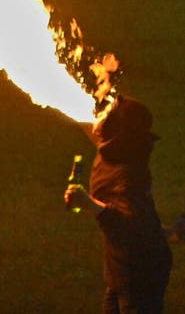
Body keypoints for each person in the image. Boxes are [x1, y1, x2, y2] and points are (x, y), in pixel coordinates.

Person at [64, 94, 172, 313]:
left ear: (117, 130)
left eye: (107, 114)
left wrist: (88, 203)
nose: (100, 112)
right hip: (121, 267)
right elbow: (93, 130)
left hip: (141, 270)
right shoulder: (119, 148)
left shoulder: (127, 174)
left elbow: (128, 225)